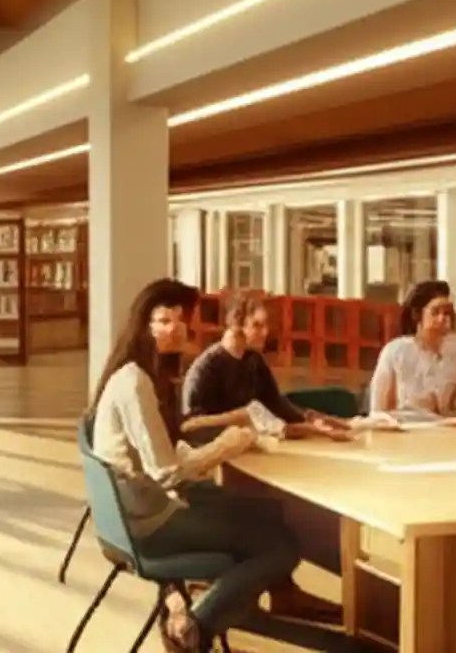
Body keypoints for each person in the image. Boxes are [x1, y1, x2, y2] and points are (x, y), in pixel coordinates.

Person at [88, 278, 315, 650]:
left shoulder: (141, 375)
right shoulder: (135, 383)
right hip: (149, 521)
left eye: (182, 320)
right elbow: (167, 472)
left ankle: (238, 608)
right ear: (146, 326)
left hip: (138, 509)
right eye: (168, 320)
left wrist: (214, 450)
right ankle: (198, 628)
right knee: (283, 546)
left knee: (271, 513)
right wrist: (226, 446)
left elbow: (164, 455)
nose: (180, 329)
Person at [181, 295, 353, 444]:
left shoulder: (254, 360)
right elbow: (193, 425)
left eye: (265, 325)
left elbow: (276, 404)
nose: (265, 332)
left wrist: (319, 419)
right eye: (257, 325)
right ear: (237, 325)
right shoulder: (207, 367)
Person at [368, 280, 456, 417]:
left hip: (445, 430)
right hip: (404, 429)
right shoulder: (395, 351)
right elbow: (377, 411)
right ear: (417, 314)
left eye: (447, 312)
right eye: (435, 312)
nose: (442, 318)